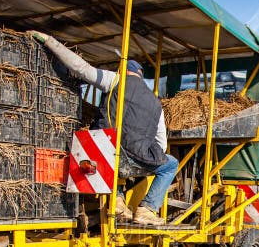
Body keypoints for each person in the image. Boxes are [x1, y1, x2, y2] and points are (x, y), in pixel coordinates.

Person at [27, 30, 177, 226]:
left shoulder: (114, 80)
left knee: (110, 161)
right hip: (135, 160)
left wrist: (49, 41)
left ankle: (117, 199)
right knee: (170, 165)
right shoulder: (156, 103)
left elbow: (81, 68)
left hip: (104, 154)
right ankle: (147, 208)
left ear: (123, 70)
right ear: (141, 76)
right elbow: (161, 143)